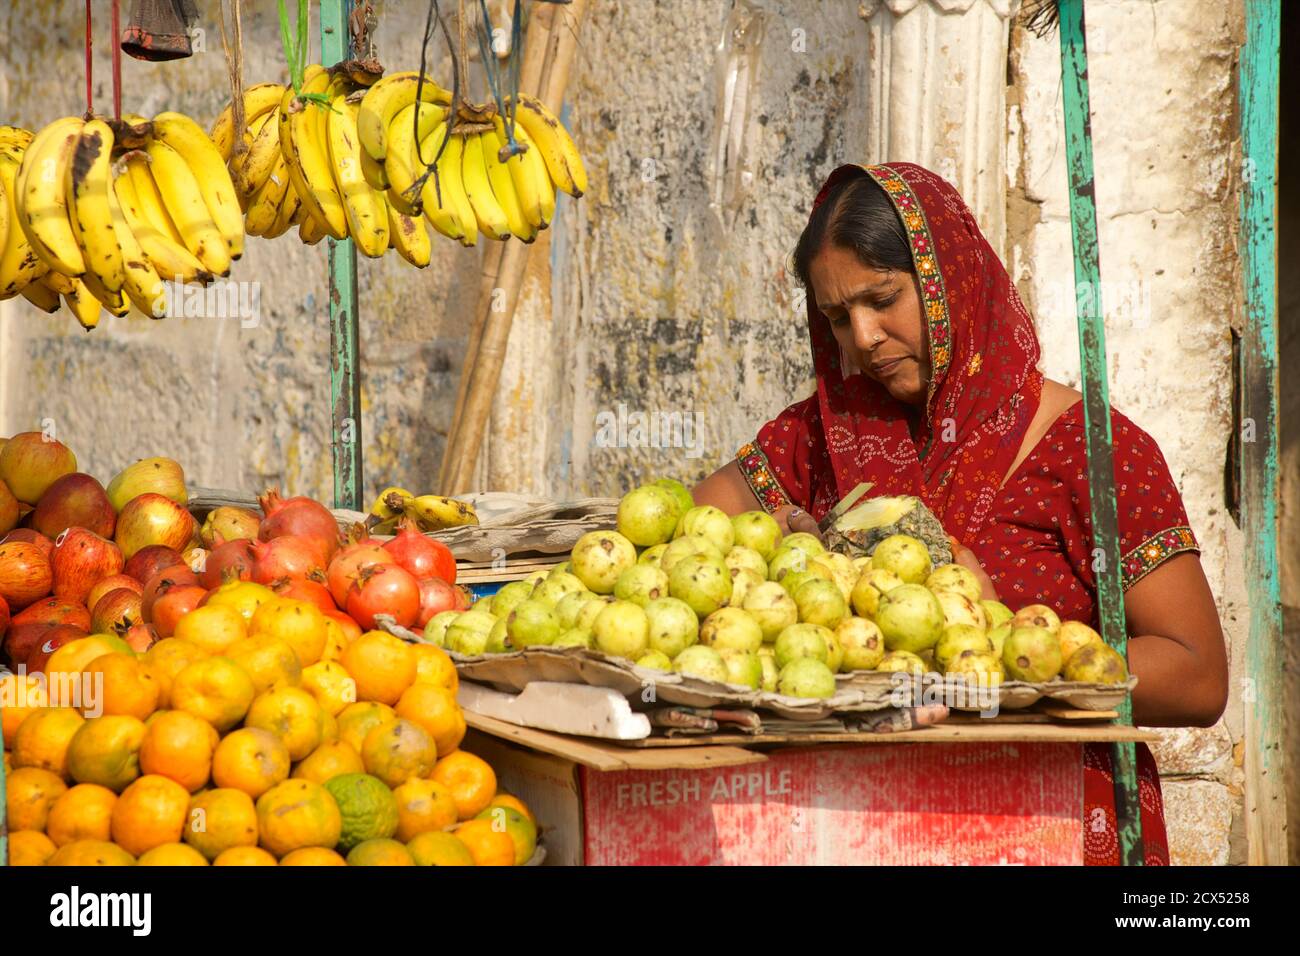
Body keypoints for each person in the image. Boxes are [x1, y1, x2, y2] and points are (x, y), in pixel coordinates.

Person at [692, 162, 1229, 865]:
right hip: (864, 828)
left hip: (1053, 825)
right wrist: (792, 561)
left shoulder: (1095, 452)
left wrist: (1003, 651)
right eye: (836, 317)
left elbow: (1198, 675)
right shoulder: (823, 437)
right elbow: (684, 540)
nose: (864, 336)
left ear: (950, 282)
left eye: (882, 299)